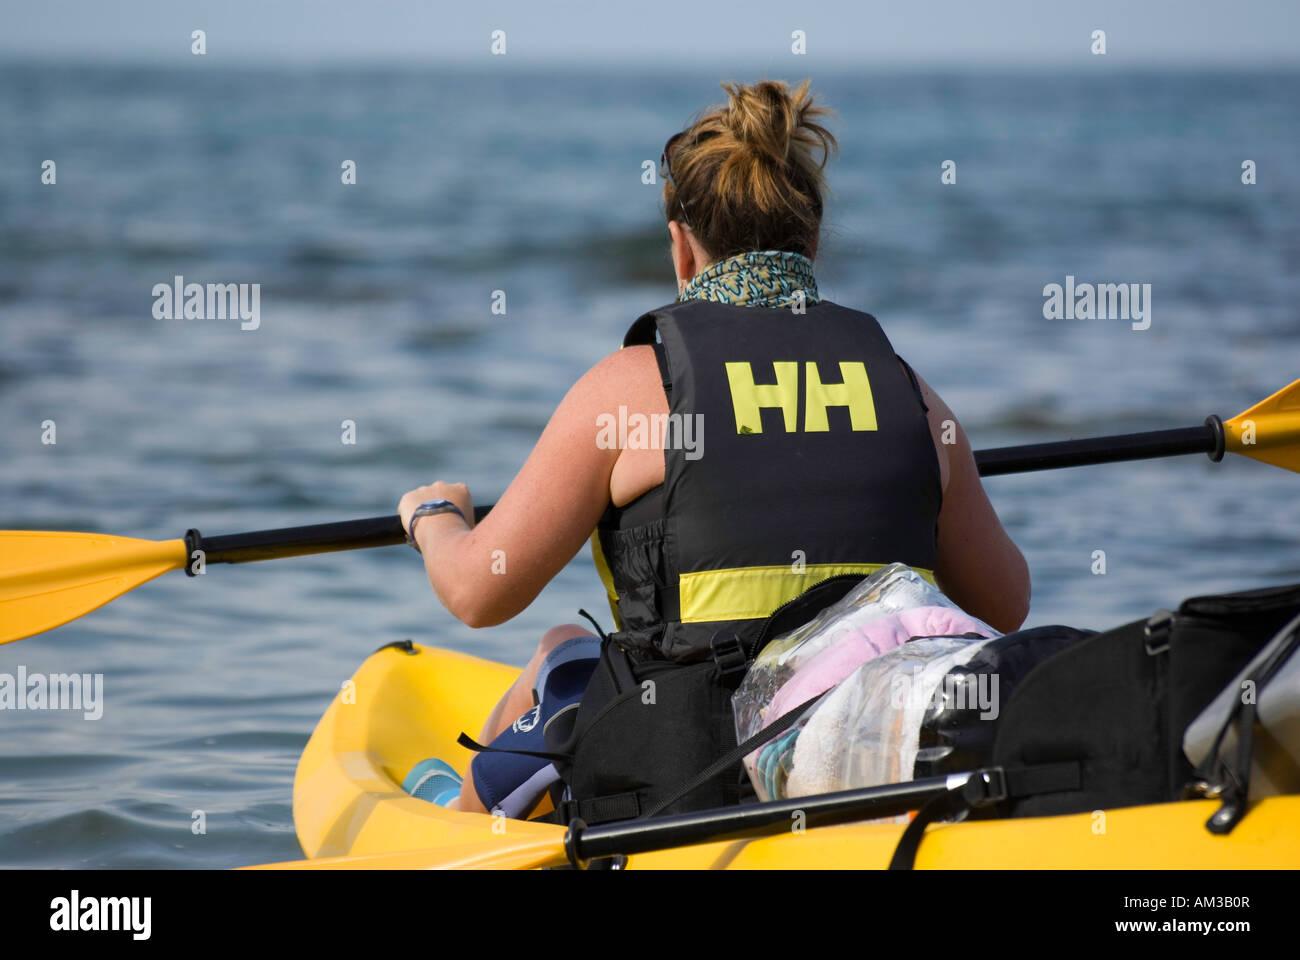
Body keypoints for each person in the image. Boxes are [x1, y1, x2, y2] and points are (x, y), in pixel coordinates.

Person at [397, 78, 1030, 817]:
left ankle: (450, 827)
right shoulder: (910, 392)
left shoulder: (632, 388)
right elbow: (1005, 602)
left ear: (680, 247)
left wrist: (435, 516)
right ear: (814, 242)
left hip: (685, 775)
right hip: (856, 756)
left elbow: (477, 592)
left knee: (562, 651)